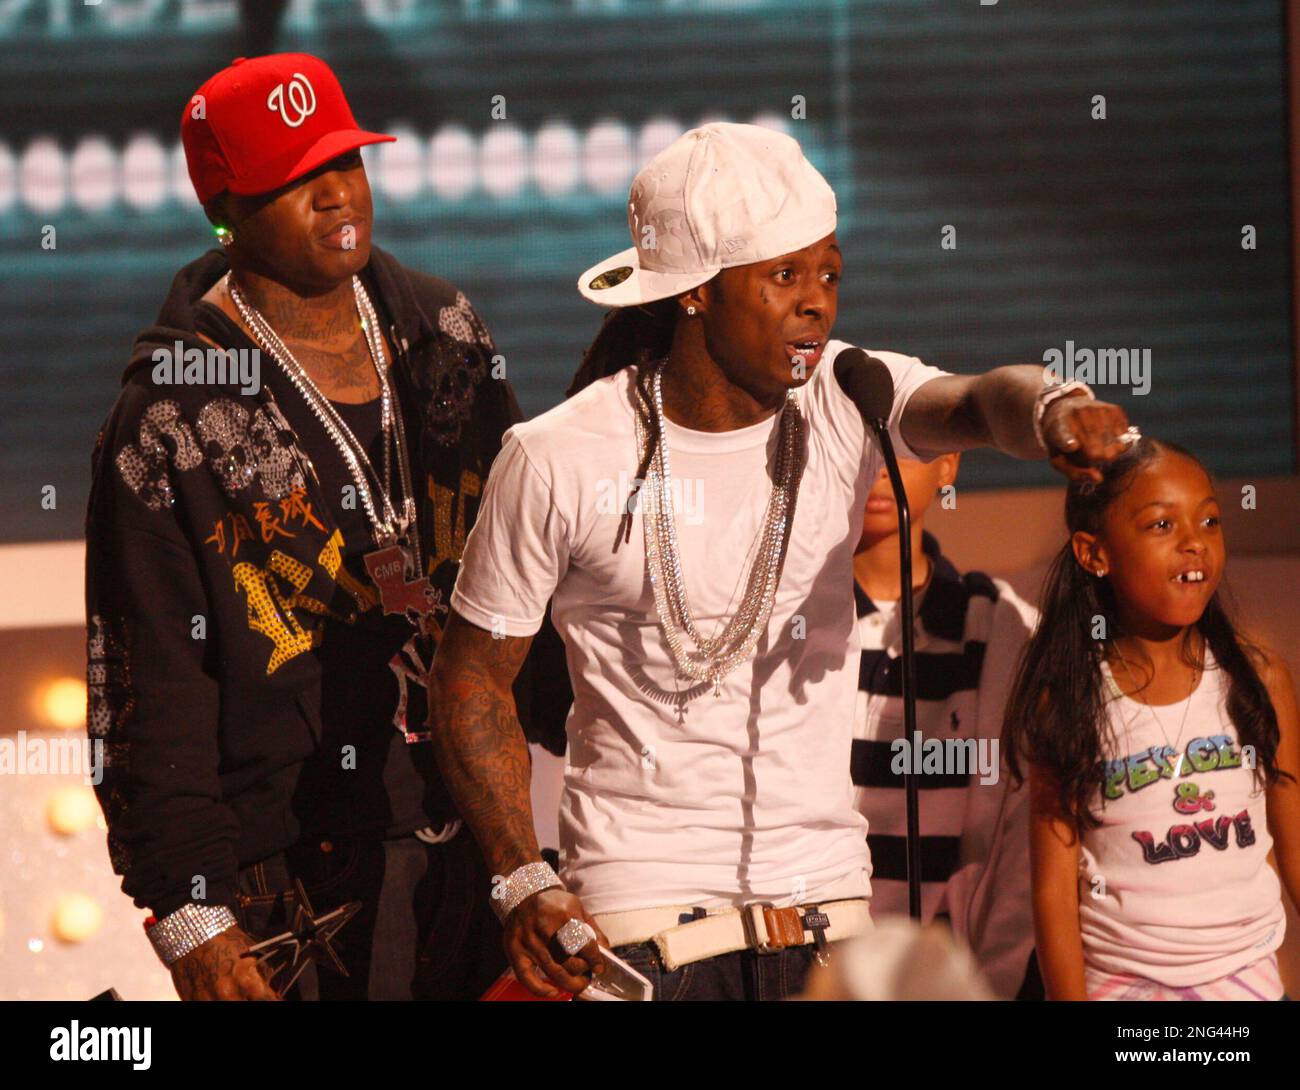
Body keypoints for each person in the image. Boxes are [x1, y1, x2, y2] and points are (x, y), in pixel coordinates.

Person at [428, 121, 1134, 1001]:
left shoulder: (845, 396)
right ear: (694, 292)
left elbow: (979, 399)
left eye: (829, 273)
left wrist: (1054, 406)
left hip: (825, 916)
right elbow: (467, 681)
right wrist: (521, 877)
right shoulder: (558, 457)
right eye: (784, 276)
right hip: (644, 932)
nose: (817, 304)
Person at [84, 53, 554, 1000]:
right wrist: (190, 916)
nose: (335, 192)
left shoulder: (445, 333)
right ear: (224, 206)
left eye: (346, 161)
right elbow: (144, 685)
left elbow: (531, 558)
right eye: (294, 177)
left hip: (480, 840)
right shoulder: (172, 416)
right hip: (294, 885)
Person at [1004, 437, 1300, 1000]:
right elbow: (1052, 893)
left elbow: (1294, 845)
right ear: (1095, 554)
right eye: (1162, 526)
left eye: (1210, 520)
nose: (1194, 543)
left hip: (1248, 988)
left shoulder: (1260, 678)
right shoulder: (1069, 701)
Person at [851, 456, 1039, 998]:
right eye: (859, 439)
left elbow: (1022, 836)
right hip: (812, 967)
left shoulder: (998, 626)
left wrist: (989, 984)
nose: (879, 466)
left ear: (948, 464)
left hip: (950, 972)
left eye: (906, 442)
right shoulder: (788, 620)